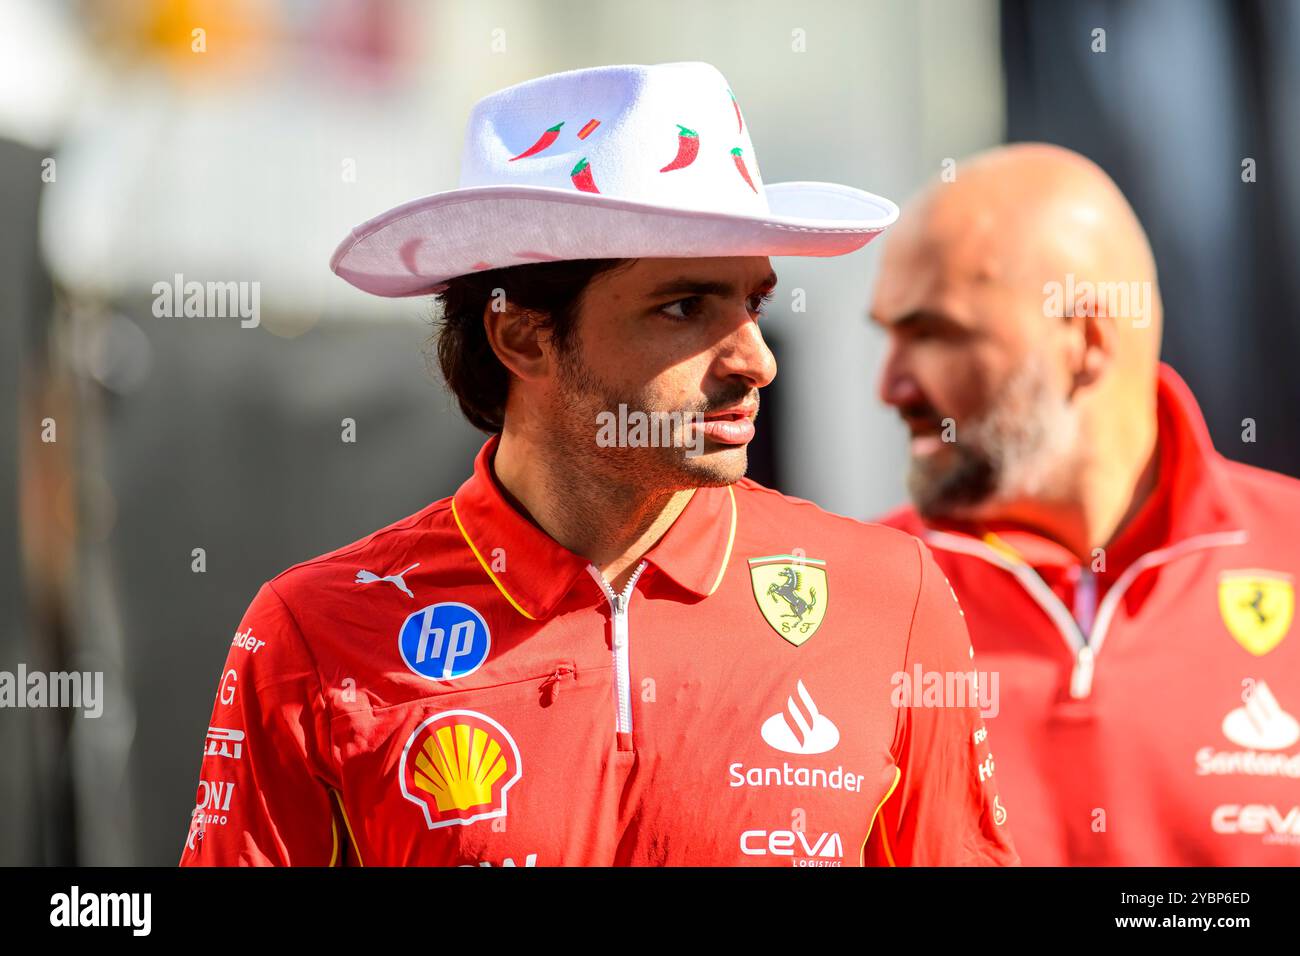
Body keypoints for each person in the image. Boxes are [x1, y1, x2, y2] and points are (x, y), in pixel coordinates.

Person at [179, 62, 1016, 867]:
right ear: (521, 334)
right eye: (685, 306)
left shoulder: (891, 596)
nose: (756, 359)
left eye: (752, 302)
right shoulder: (312, 633)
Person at [872, 142, 1300, 865]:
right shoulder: (859, 596)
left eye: (935, 333)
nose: (892, 386)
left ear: (1087, 341)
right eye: (889, 335)